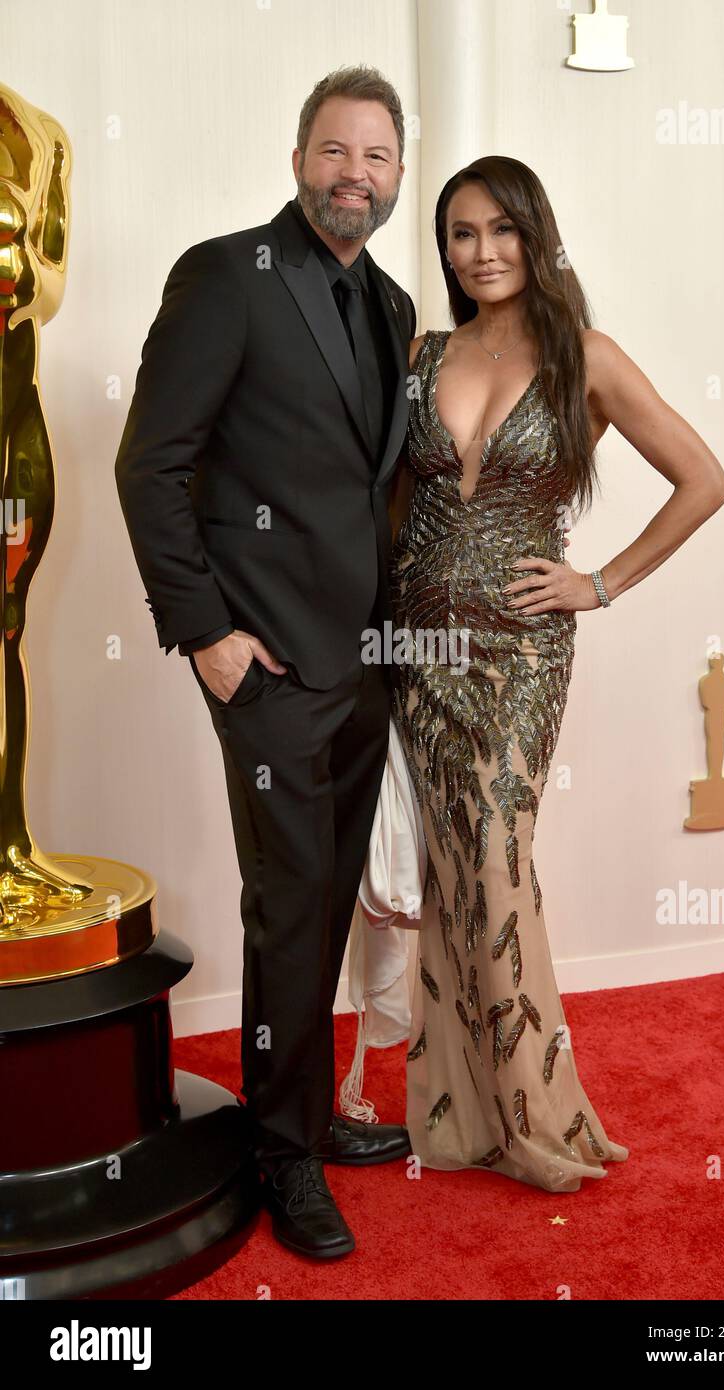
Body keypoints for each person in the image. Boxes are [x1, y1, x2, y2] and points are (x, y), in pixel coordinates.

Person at [114, 65, 416, 1261]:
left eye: (378, 157)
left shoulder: (391, 307)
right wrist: (208, 638)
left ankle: (294, 1116)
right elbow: (151, 465)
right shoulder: (224, 275)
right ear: (301, 159)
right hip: (269, 671)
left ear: (397, 173)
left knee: (323, 912)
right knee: (286, 916)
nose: (356, 174)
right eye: (336, 151)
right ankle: (282, 1158)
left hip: (367, 672)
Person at [389, 156, 724, 1192]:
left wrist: (602, 581)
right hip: (417, 646)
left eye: (502, 229)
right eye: (460, 233)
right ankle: (463, 1115)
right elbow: (383, 500)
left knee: (496, 845)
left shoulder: (586, 356)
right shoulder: (419, 354)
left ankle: (539, 1117)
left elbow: (705, 478)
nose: (482, 251)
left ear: (536, 237)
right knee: (454, 871)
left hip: (522, 650)